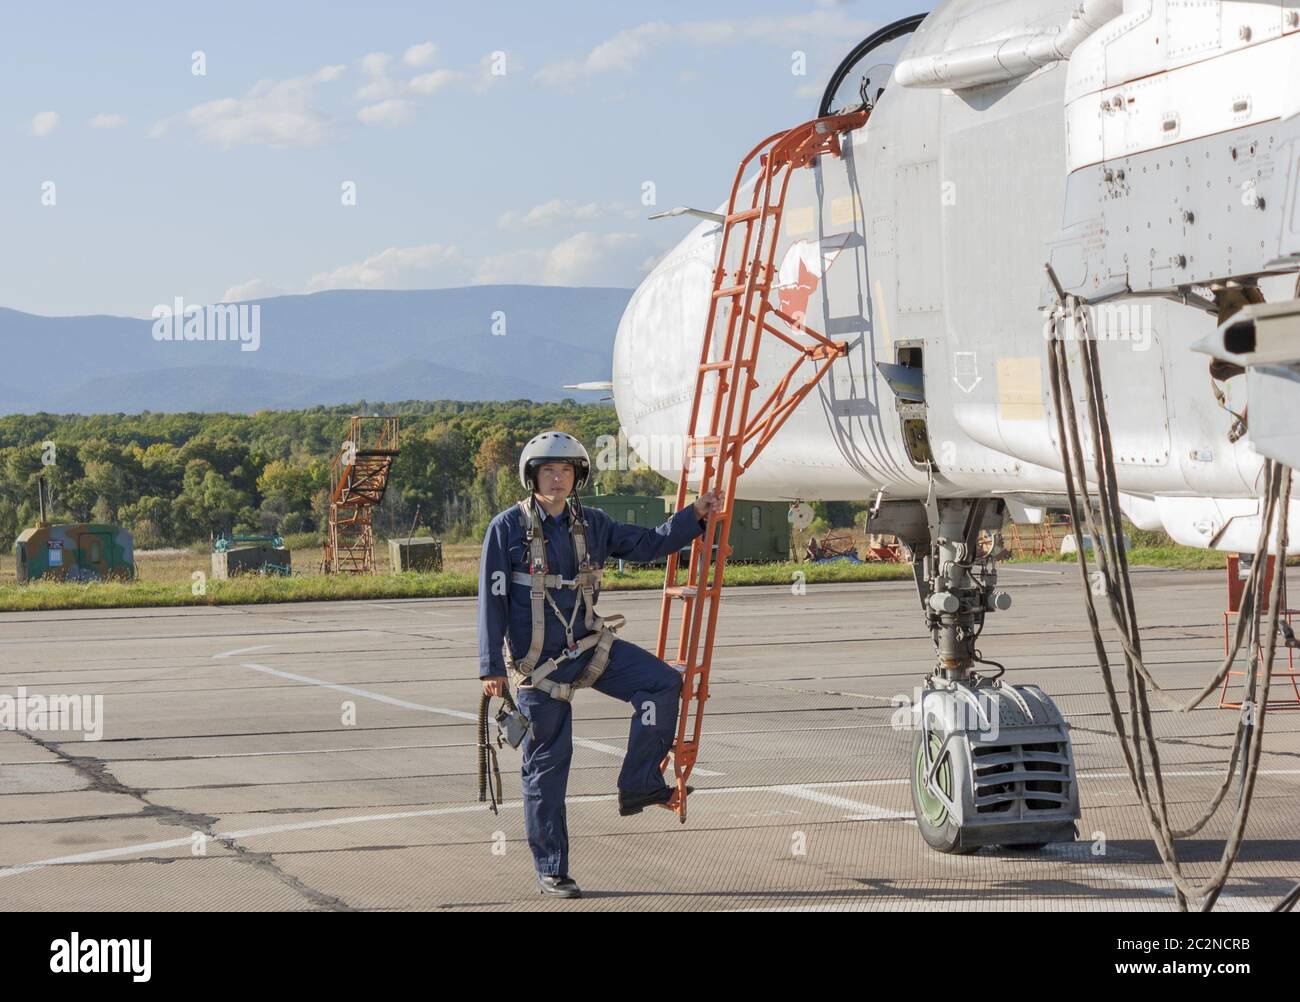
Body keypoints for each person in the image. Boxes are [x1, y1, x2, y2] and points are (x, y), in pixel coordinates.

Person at [477, 431, 721, 899]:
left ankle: (640, 783)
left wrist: (694, 516)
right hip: (536, 670)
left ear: (577, 477)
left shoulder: (594, 524)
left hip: (590, 649)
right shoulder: (505, 530)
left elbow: (649, 544)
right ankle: (552, 868)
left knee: (662, 684)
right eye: (548, 470)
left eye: (565, 471)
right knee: (548, 767)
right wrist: (491, 667)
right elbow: (492, 600)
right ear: (532, 477)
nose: (557, 478)